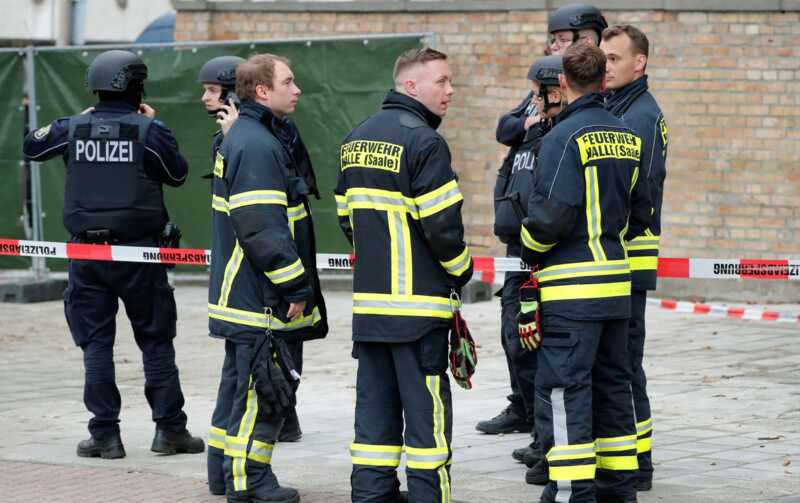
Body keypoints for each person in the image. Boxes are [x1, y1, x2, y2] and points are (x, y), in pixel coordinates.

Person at [22, 50, 203, 460]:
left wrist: (82, 120)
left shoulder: (73, 128)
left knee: (97, 345)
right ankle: (170, 430)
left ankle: (105, 435)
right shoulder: (148, 131)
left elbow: (31, 147)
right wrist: (153, 124)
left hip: (86, 255)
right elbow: (177, 174)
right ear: (138, 86)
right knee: (156, 341)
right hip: (138, 255)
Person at [335, 47, 473, 503]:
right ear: (410, 86)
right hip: (419, 316)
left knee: (374, 420)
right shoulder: (425, 142)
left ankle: (371, 496)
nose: (450, 91)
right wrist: (462, 272)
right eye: (442, 81)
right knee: (427, 426)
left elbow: (345, 219)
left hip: (371, 314)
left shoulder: (355, 138)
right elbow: (443, 228)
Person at [519, 43, 651, 503]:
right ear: (601, 80)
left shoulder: (561, 138)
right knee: (614, 386)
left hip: (572, 291)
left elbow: (552, 215)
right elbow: (640, 209)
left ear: (562, 84)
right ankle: (619, 489)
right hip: (617, 286)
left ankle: (572, 492)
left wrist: (527, 247)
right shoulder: (627, 136)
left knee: (564, 389)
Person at [476, 1, 607, 440]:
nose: (555, 45)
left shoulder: (571, 122)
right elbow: (504, 127)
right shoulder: (541, 101)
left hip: (551, 248)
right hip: (520, 240)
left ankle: (543, 427)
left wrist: (535, 241)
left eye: (563, 39)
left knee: (539, 337)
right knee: (514, 329)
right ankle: (524, 406)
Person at [208, 53, 328, 503]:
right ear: (262, 91)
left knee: (238, 390)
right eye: (289, 81)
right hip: (260, 297)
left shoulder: (247, 136)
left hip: (243, 292)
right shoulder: (257, 144)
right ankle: (251, 481)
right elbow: (262, 228)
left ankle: (224, 474)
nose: (296, 90)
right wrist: (295, 286)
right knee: (265, 392)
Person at [601, 24, 668, 493]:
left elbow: (640, 193)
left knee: (623, 365)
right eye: (602, 57)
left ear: (639, 63)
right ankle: (630, 458)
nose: (605, 66)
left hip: (627, 259)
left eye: (615, 58)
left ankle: (637, 464)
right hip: (622, 260)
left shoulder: (639, 116)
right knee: (621, 364)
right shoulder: (623, 106)